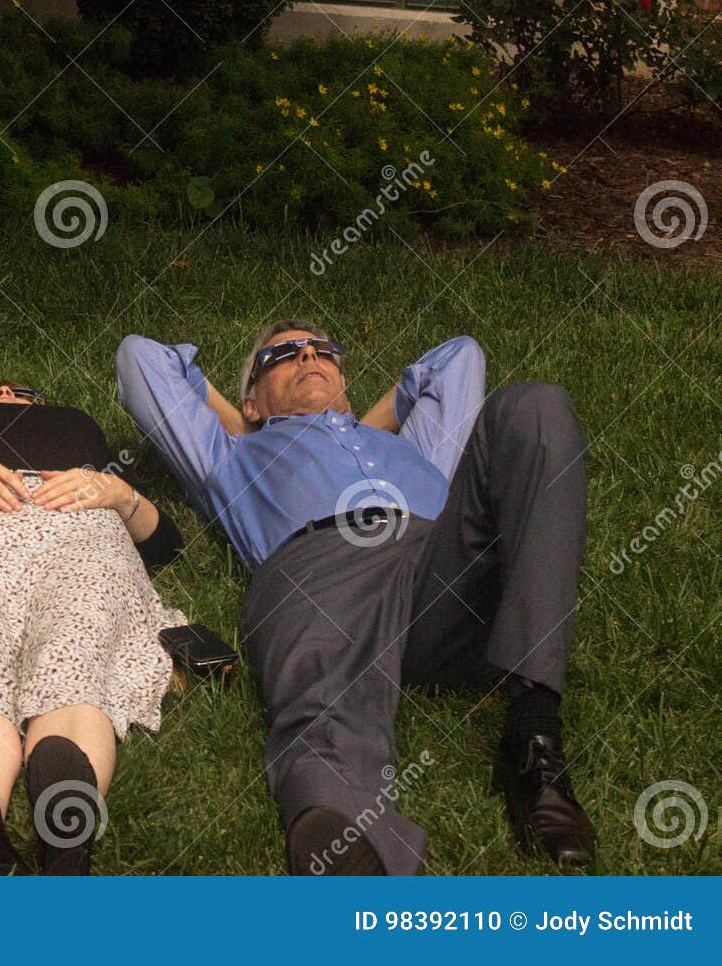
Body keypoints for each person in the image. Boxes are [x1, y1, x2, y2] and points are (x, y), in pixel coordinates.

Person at [116, 321, 597, 874]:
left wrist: (344, 424)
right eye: (284, 356)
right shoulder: (228, 459)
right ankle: (348, 846)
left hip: (435, 569)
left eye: (323, 352)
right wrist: (259, 426)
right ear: (250, 401)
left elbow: (457, 356)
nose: (309, 358)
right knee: (320, 700)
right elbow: (140, 359)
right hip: (318, 570)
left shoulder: (417, 450)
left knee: (536, 406)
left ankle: (534, 739)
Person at [0, 380, 186, 875]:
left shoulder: (81, 431)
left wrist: (122, 494)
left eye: (22, 390)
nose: (2, 392)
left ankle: (64, 825)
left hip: (81, 529)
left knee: (76, 644)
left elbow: (166, 543)